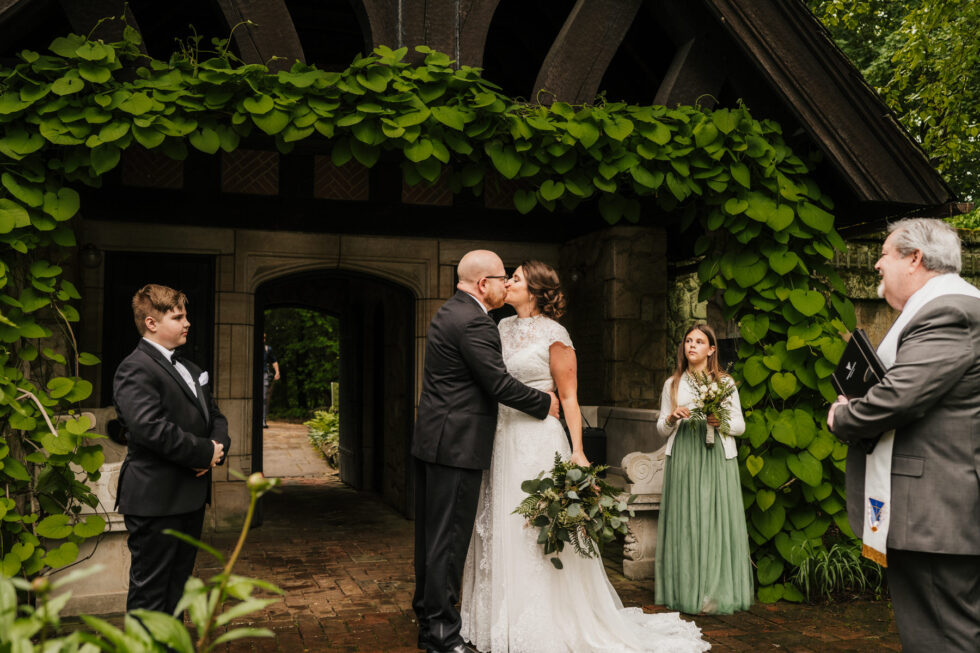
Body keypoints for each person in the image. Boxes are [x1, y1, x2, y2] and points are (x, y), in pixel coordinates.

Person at [460, 261, 709, 653]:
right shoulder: (500, 328)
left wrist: (577, 451)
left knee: (536, 527)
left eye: (517, 279)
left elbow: (570, 398)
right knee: (499, 525)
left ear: (536, 291)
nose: (508, 283)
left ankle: (544, 622)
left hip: (537, 442)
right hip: (501, 438)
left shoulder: (555, 335)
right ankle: (499, 619)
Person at [827, 218, 980, 652]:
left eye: (885, 253)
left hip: (937, 512)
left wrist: (843, 416)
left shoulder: (951, 310)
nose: (876, 264)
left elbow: (900, 397)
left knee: (941, 638)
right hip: (935, 511)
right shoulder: (944, 308)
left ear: (915, 259)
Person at [412, 250, 560, 653]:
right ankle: (442, 634)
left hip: (435, 441)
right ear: (483, 284)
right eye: (501, 278)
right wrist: (544, 403)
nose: (505, 285)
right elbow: (498, 384)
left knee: (431, 539)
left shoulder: (449, 311)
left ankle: (428, 622)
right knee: (449, 540)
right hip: (457, 445)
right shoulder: (475, 320)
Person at [113, 284, 230, 614]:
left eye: (186, 315)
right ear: (151, 323)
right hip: (156, 500)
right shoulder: (135, 367)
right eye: (178, 316)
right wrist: (202, 453)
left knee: (178, 593)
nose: (187, 322)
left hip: (189, 498)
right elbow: (150, 428)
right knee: (150, 597)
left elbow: (216, 417)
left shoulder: (191, 369)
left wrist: (216, 448)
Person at [655, 323, 753, 615]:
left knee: (714, 520)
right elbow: (661, 428)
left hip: (715, 457)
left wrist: (718, 421)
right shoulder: (672, 384)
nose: (692, 346)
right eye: (688, 341)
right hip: (684, 456)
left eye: (699, 341)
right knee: (686, 522)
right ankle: (685, 589)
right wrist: (672, 418)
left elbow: (740, 425)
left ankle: (712, 592)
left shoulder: (725, 383)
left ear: (711, 350)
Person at [262, 333, 280, 428]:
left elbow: (274, 361)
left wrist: (277, 372)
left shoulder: (267, 349)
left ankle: (263, 420)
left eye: (264, 337)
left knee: (264, 398)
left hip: (264, 374)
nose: (263, 339)